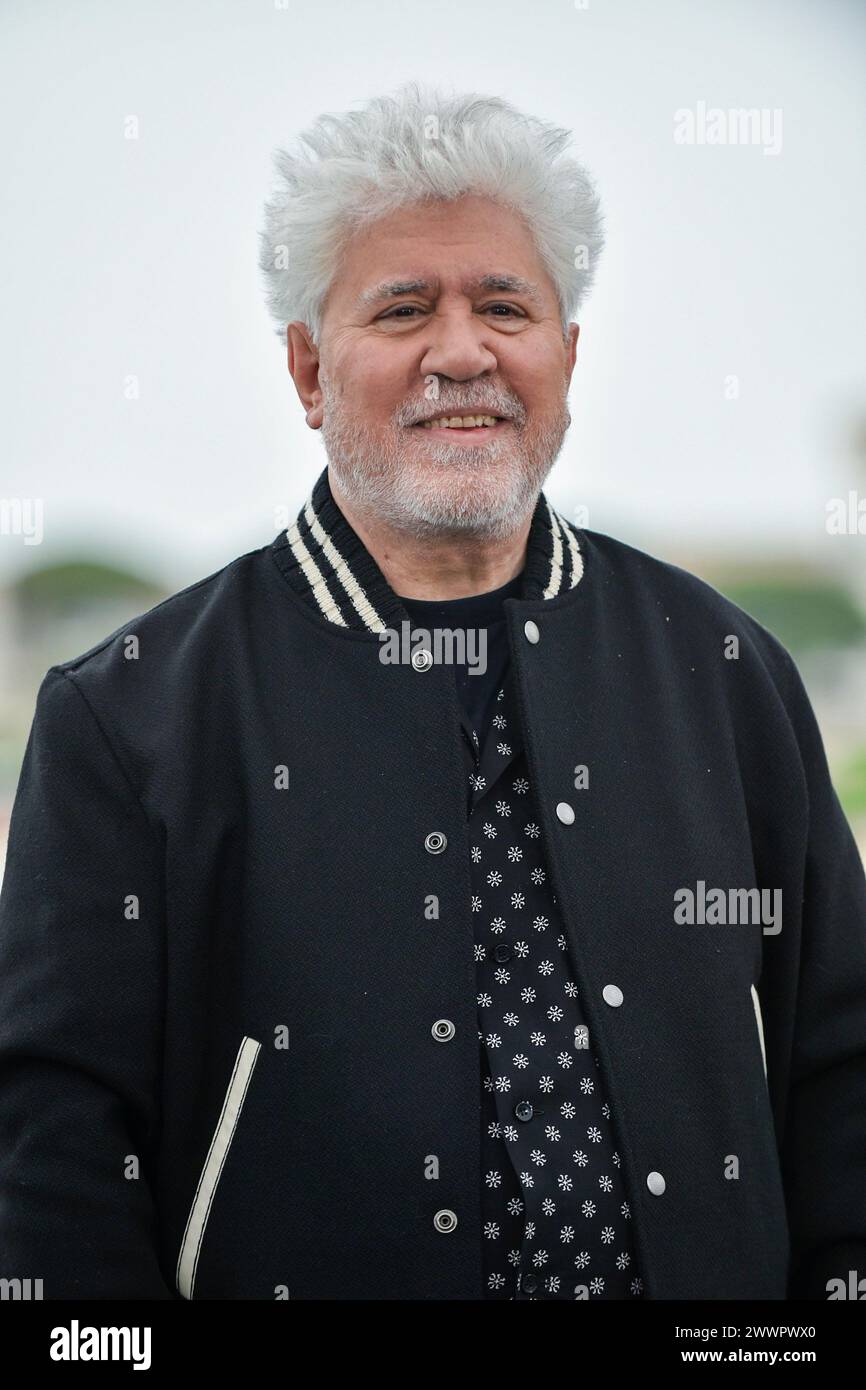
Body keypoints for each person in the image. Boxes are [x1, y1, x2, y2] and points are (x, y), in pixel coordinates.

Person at [1, 82, 864, 1301]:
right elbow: (52, 1147)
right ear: (307, 369)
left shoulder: (725, 676)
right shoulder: (125, 717)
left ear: (566, 354)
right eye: (402, 307)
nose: (461, 351)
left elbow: (839, 1070)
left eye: (503, 305)